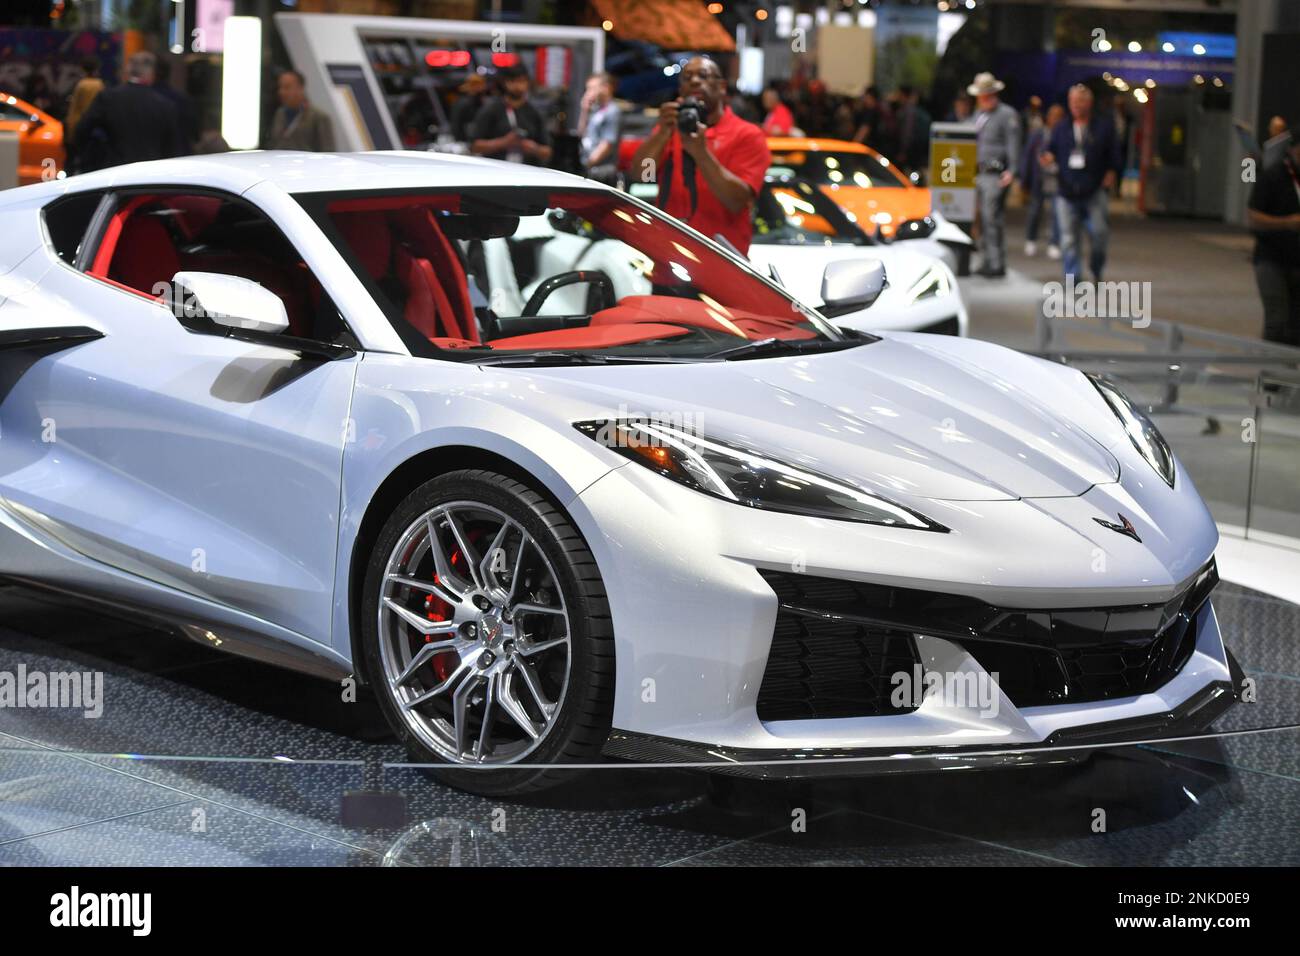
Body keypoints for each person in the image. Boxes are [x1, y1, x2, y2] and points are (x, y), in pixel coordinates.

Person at [630, 56, 769, 255]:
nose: (694, 81)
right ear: (680, 90)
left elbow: (736, 201)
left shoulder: (747, 134)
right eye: (687, 78)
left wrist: (700, 153)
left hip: (722, 265)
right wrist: (662, 134)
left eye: (703, 76)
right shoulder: (670, 129)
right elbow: (641, 175)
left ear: (721, 87)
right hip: (670, 261)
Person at [1042, 84, 1121, 283]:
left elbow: (1115, 155)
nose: (1076, 105)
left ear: (1090, 103)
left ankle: (1096, 268)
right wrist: (1047, 158)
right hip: (1066, 191)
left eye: (1081, 101)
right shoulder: (1061, 128)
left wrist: (1111, 173)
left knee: (1099, 234)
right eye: (1073, 101)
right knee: (1068, 239)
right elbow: (1049, 150)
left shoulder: (1104, 126)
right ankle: (1073, 278)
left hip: (1093, 191)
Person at [74, 52, 182, 172]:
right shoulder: (166, 106)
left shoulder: (107, 98)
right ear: (152, 73)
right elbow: (173, 149)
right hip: (151, 177)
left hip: (113, 174)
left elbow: (81, 131)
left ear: (127, 70)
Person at [1246, 125, 1300, 346]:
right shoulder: (1273, 175)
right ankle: (1269, 378)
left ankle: (1288, 378)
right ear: (1294, 150)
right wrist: (1287, 223)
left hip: (1297, 260)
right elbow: (1253, 216)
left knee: (1296, 326)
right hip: (1271, 258)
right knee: (1276, 319)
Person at [968, 72, 1020, 278]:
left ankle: (996, 261)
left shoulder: (1006, 114)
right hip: (977, 173)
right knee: (981, 219)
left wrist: (1012, 170)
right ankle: (987, 259)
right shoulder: (978, 115)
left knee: (991, 218)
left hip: (994, 173)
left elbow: (1013, 144)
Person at [469, 65, 552, 166]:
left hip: (527, 171)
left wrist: (534, 149)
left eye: (521, 81)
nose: (517, 86)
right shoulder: (491, 110)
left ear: (528, 83)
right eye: (513, 81)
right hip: (495, 169)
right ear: (505, 83)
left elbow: (547, 151)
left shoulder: (534, 113)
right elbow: (474, 146)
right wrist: (503, 143)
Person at [1020, 102, 1065, 259]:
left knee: (1056, 212)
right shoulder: (1038, 134)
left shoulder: (1063, 134)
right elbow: (1027, 156)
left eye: (1059, 117)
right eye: (1054, 116)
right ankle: (1031, 239)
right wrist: (1024, 180)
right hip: (1038, 177)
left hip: (1056, 178)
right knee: (1035, 210)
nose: (1056, 120)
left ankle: (1054, 242)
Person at [267, 69, 335, 151]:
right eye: (280, 87)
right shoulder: (279, 114)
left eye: (286, 87)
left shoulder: (319, 118)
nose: (281, 92)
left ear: (300, 88)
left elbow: (327, 152)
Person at [577, 72, 620, 183]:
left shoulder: (612, 111)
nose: (588, 93)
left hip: (602, 170)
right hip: (591, 167)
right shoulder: (596, 110)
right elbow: (581, 133)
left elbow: (607, 144)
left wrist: (587, 164)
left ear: (606, 88)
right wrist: (584, 110)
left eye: (592, 88)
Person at [64, 56, 104, 174]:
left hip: (79, 127)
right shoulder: (99, 84)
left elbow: (74, 109)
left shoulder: (82, 85)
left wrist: (70, 132)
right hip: (94, 130)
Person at [893, 85, 931, 178]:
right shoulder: (916, 111)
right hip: (918, 152)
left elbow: (907, 133)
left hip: (911, 153)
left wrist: (903, 152)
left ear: (903, 95)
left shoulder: (908, 111)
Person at [450, 73, 486, 143]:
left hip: (480, 137)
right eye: (477, 85)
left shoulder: (480, 100)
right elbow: (457, 124)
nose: (481, 87)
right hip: (468, 139)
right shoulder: (462, 103)